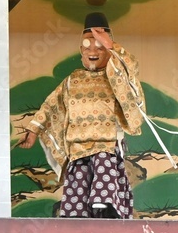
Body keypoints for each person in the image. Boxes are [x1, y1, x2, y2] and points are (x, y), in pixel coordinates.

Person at [18, 13, 145, 218]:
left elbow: (131, 68)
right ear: (81, 51)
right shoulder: (72, 80)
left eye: (99, 47)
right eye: (88, 46)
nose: (93, 51)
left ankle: (107, 207)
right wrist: (33, 129)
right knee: (78, 179)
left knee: (105, 170)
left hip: (107, 141)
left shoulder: (115, 74)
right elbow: (50, 105)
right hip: (77, 145)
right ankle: (76, 214)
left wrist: (112, 45)